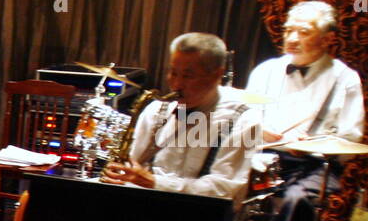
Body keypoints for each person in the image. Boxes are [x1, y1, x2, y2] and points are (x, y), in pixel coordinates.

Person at [245, 0, 365, 221]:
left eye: (304, 32)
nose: (292, 38)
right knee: (215, 182)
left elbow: (350, 138)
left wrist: (311, 146)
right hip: (264, 156)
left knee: (297, 201)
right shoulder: (265, 71)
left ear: (327, 38)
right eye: (289, 30)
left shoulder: (345, 79)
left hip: (315, 166)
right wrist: (262, 131)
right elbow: (244, 119)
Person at [102, 32, 260, 203]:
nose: (176, 84)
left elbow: (223, 189)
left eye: (187, 76)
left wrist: (155, 182)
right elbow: (132, 164)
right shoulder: (156, 110)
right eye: (173, 72)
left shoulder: (243, 120)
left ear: (217, 75)